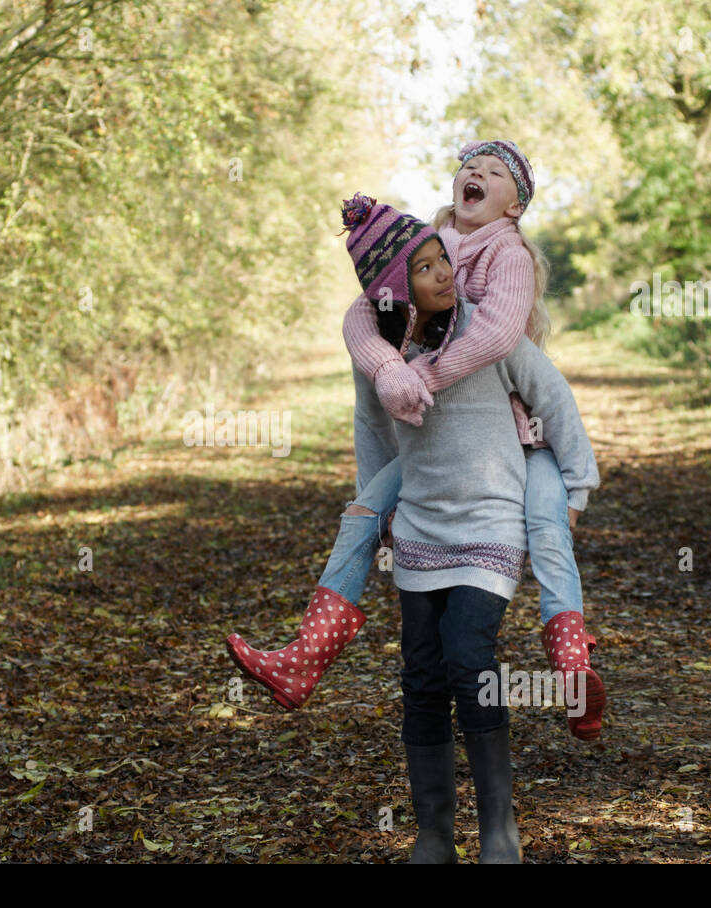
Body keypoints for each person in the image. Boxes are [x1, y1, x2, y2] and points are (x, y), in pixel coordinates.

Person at [228, 140, 606, 742]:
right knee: (357, 516)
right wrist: (386, 368)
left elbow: (501, 336)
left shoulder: (508, 254)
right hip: (439, 439)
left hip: (517, 437)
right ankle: (304, 659)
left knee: (549, 527)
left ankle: (571, 670)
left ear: (514, 206)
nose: (475, 174)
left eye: (495, 173)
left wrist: (418, 376)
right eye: (469, 167)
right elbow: (362, 318)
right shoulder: (423, 242)